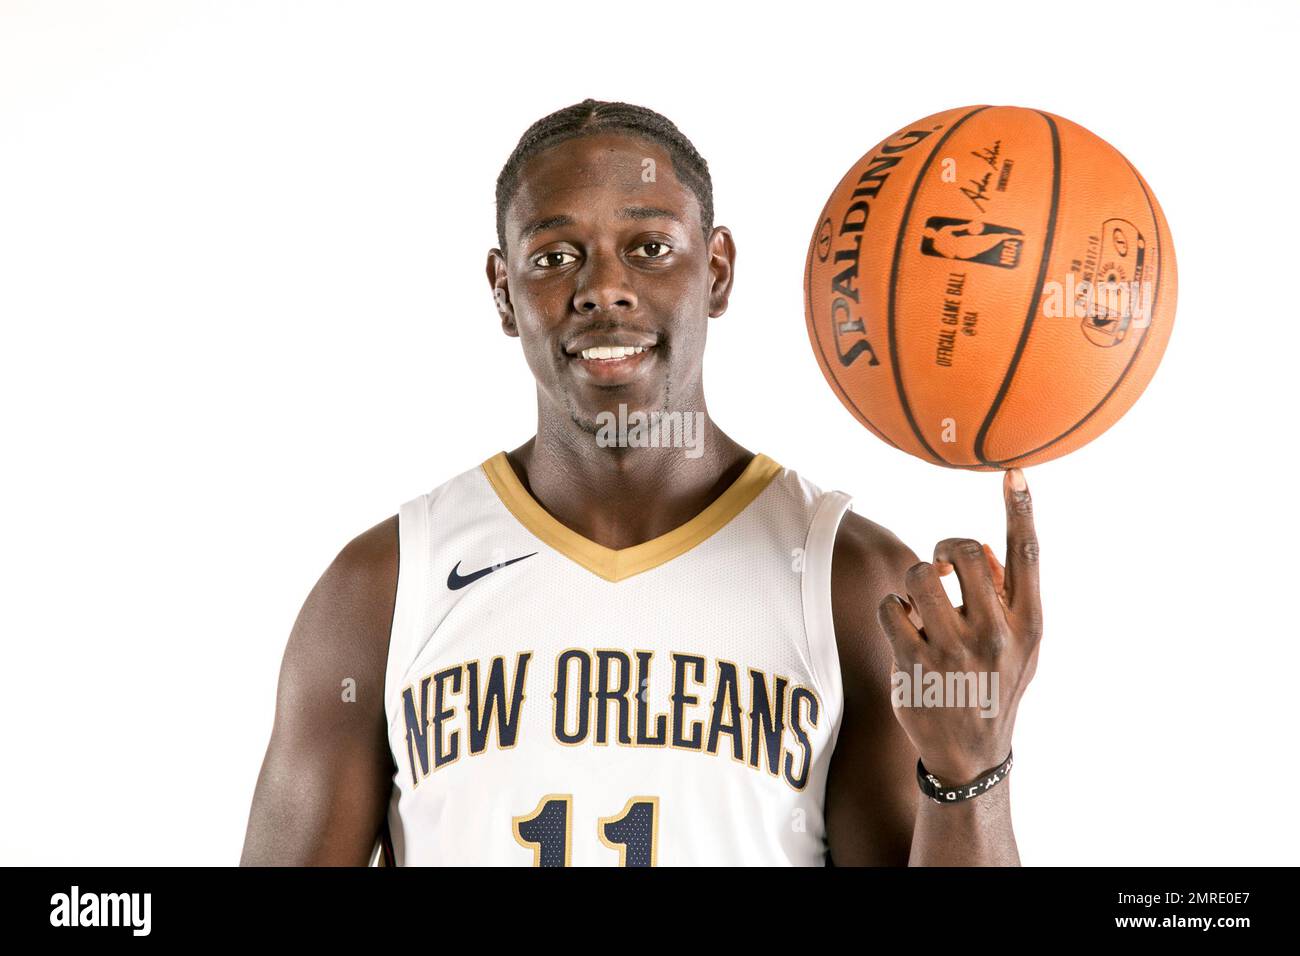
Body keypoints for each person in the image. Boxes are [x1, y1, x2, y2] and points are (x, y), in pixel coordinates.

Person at [240, 98, 1043, 866]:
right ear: (502, 291)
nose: (602, 289)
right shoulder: (382, 590)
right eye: (554, 258)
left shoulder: (845, 579)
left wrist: (973, 771)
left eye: (650, 248)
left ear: (718, 269)